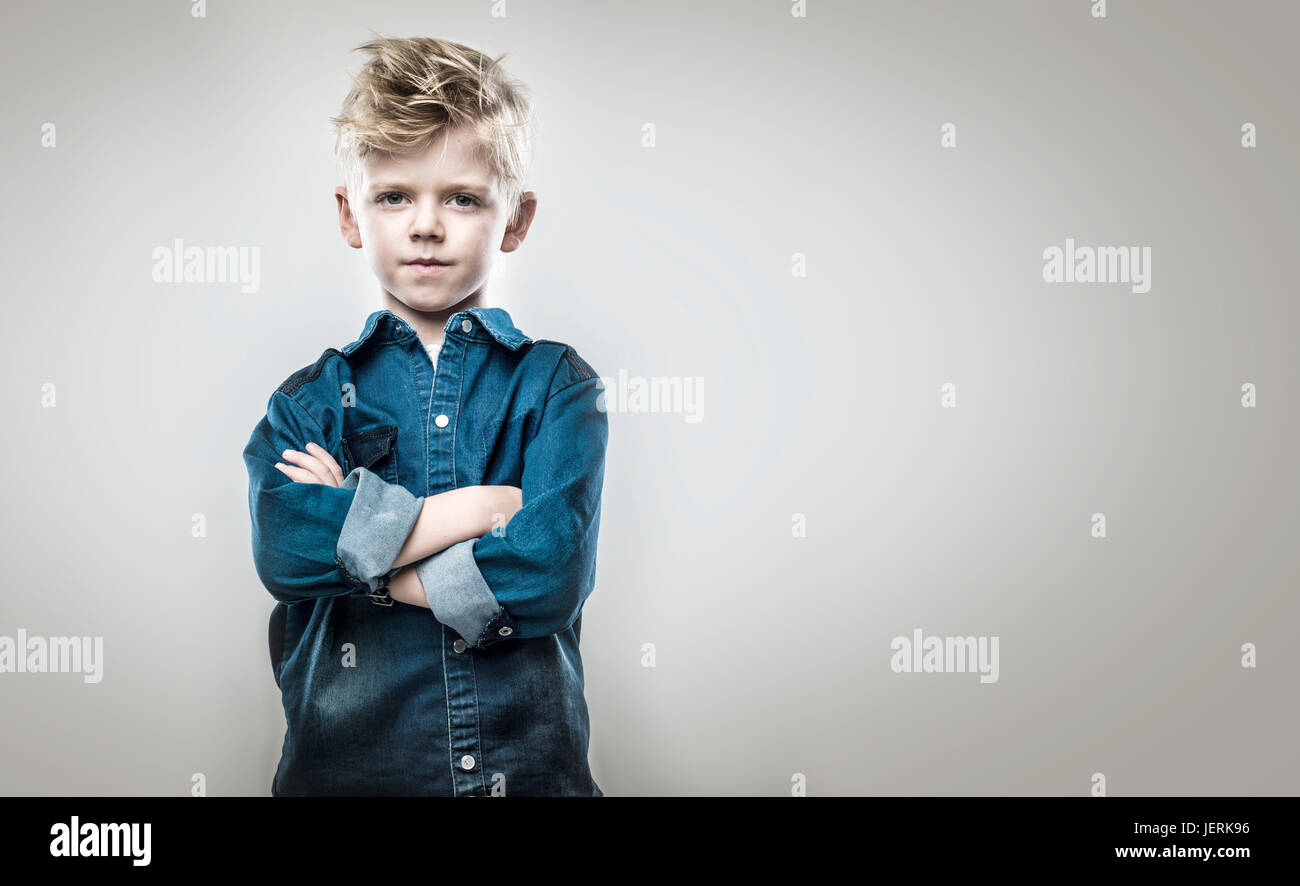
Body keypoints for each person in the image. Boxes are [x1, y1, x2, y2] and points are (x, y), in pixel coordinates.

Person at [241, 33, 608, 797]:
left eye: (463, 197)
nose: (427, 225)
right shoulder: (307, 401)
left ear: (515, 219)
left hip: (531, 777)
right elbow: (285, 548)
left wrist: (362, 549)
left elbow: (545, 574)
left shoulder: (558, 386)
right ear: (351, 214)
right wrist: (476, 509)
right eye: (395, 196)